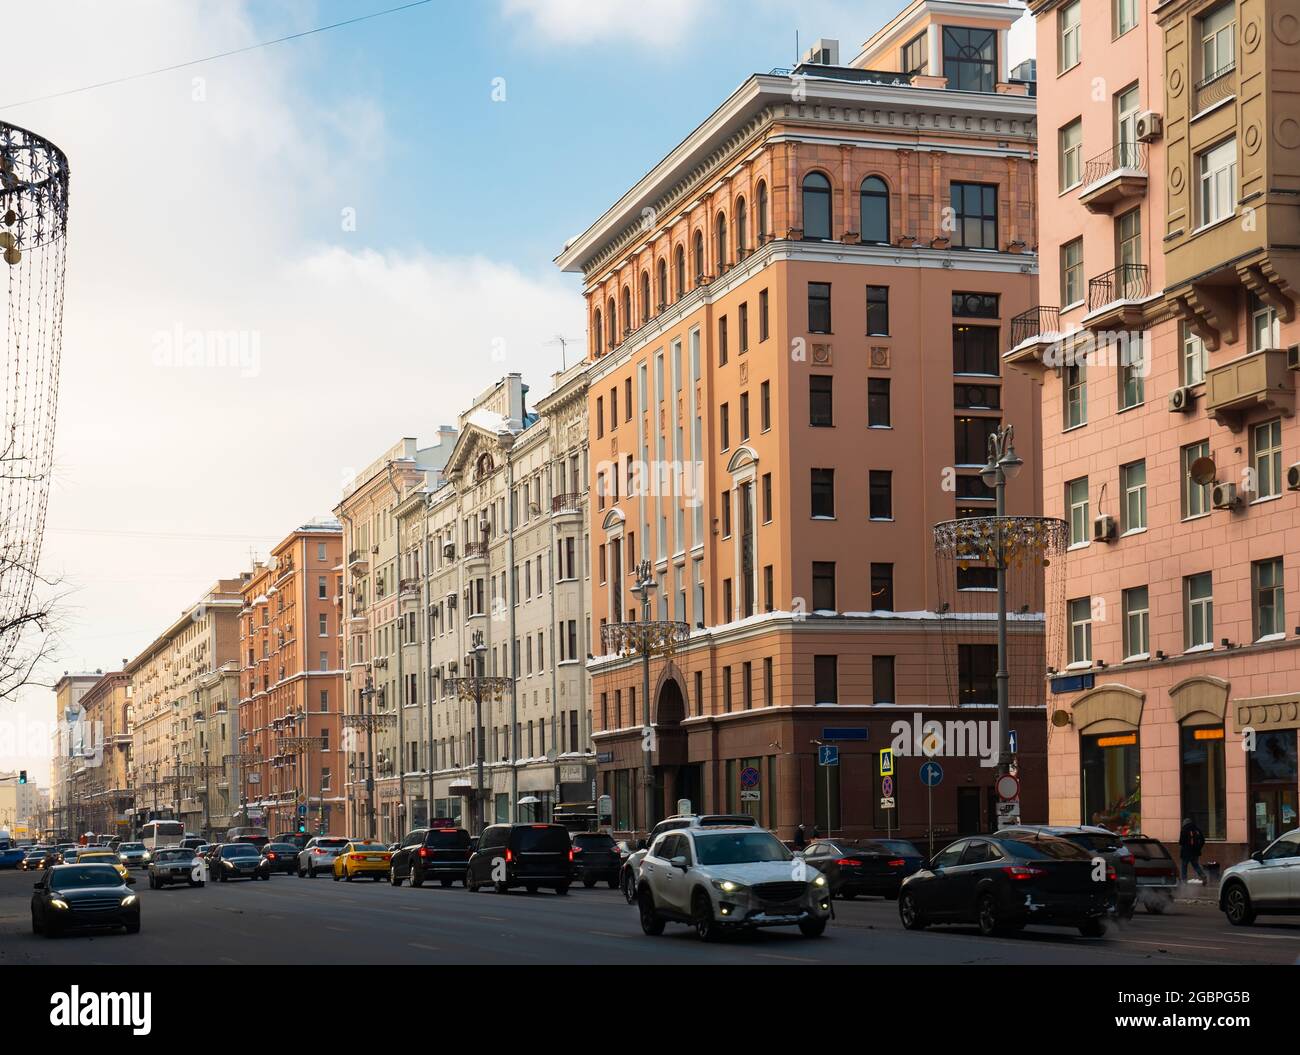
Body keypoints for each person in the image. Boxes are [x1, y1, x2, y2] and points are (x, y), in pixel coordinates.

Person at [1179, 817, 1207, 883]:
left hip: (1186, 852)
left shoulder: (1184, 830)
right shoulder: (1197, 829)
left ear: (1184, 823)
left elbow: (1181, 842)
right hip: (1195, 852)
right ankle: (1203, 876)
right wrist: (1198, 848)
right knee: (1196, 865)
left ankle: (1184, 880)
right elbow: (1203, 840)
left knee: (1184, 866)